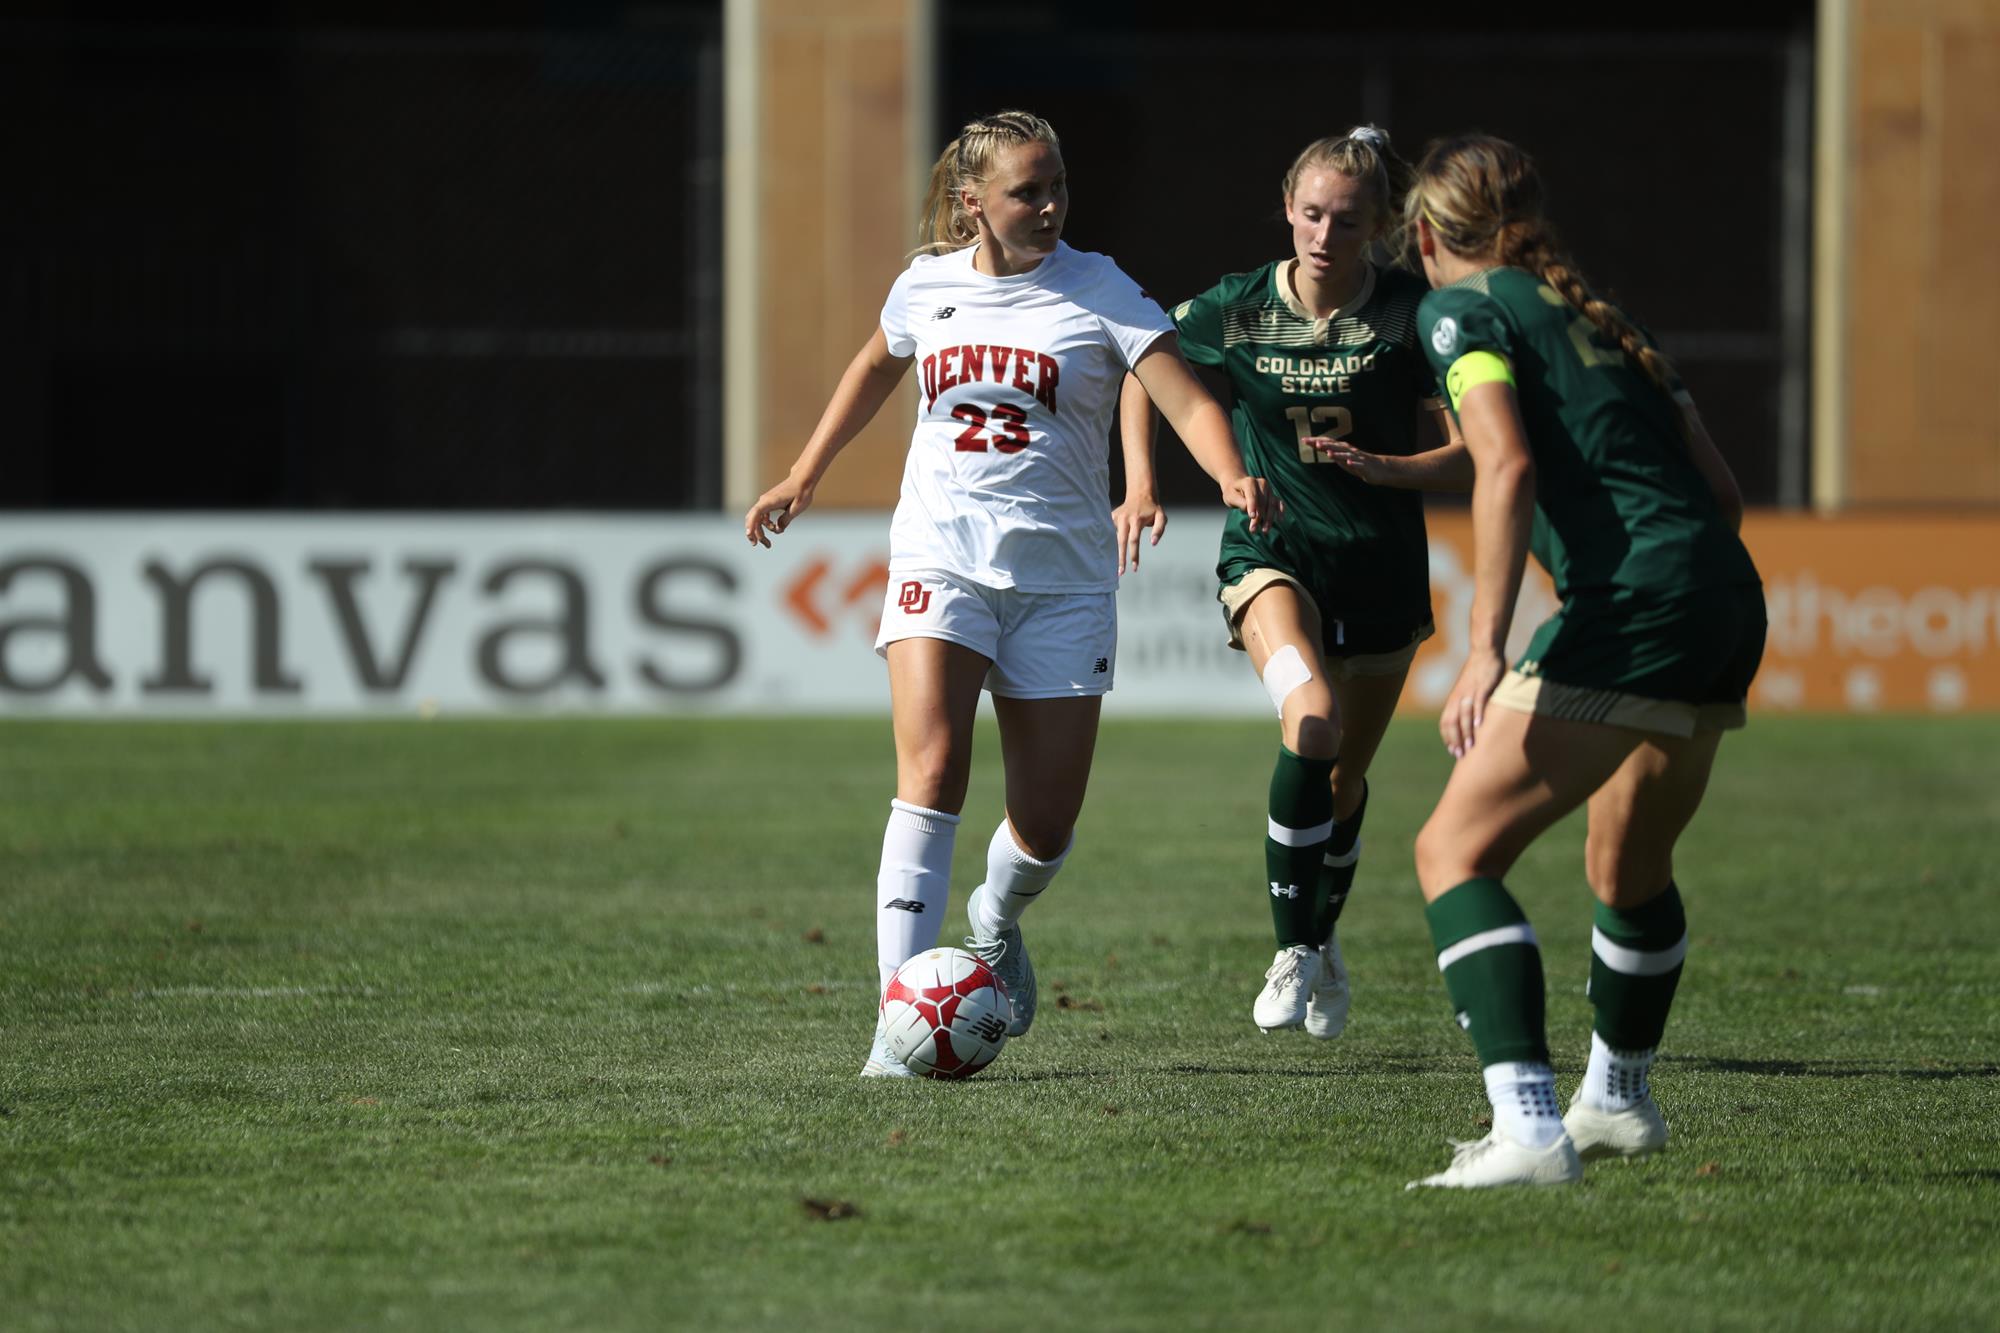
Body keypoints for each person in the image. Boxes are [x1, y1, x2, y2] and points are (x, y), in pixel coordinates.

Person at [743, 110, 1277, 1078]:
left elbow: (1183, 393)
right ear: (971, 202)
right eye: (1026, 191)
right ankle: (891, 1028)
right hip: (938, 558)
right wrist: (803, 471)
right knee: (932, 771)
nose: (1046, 206)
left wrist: (1229, 473)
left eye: (1055, 187)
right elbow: (875, 365)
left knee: (1044, 823)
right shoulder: (925, 286)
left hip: (1063, 582)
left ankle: (993, 920)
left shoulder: (1097, 287)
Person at [1398, 134, 1764, 1188]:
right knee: (1625, 865)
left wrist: (1481, 650)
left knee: (1451, 853)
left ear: (1425, 236)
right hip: (1722, 601)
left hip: (1634, 606)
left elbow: (1501, 461)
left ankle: (1525, 1128)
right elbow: (1723, 500)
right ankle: (1613, 1099)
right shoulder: (1608, 319)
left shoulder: (1458, 312)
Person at [1118, 126, 1468, 1038]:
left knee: (1344, 780)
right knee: (1309, 718)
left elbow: (1476, 452)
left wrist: (1386, 468)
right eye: (1310, 213)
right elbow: (1143, 363)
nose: (1322, 234)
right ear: (1286, 209)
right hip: (1271, 554)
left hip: (1382, 567)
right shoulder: (1236, 307)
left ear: (1380, 226)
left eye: (1346, 220)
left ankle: (1320, 936)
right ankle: (1292, 950)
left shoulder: (1413, 314)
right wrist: (1144, 483)